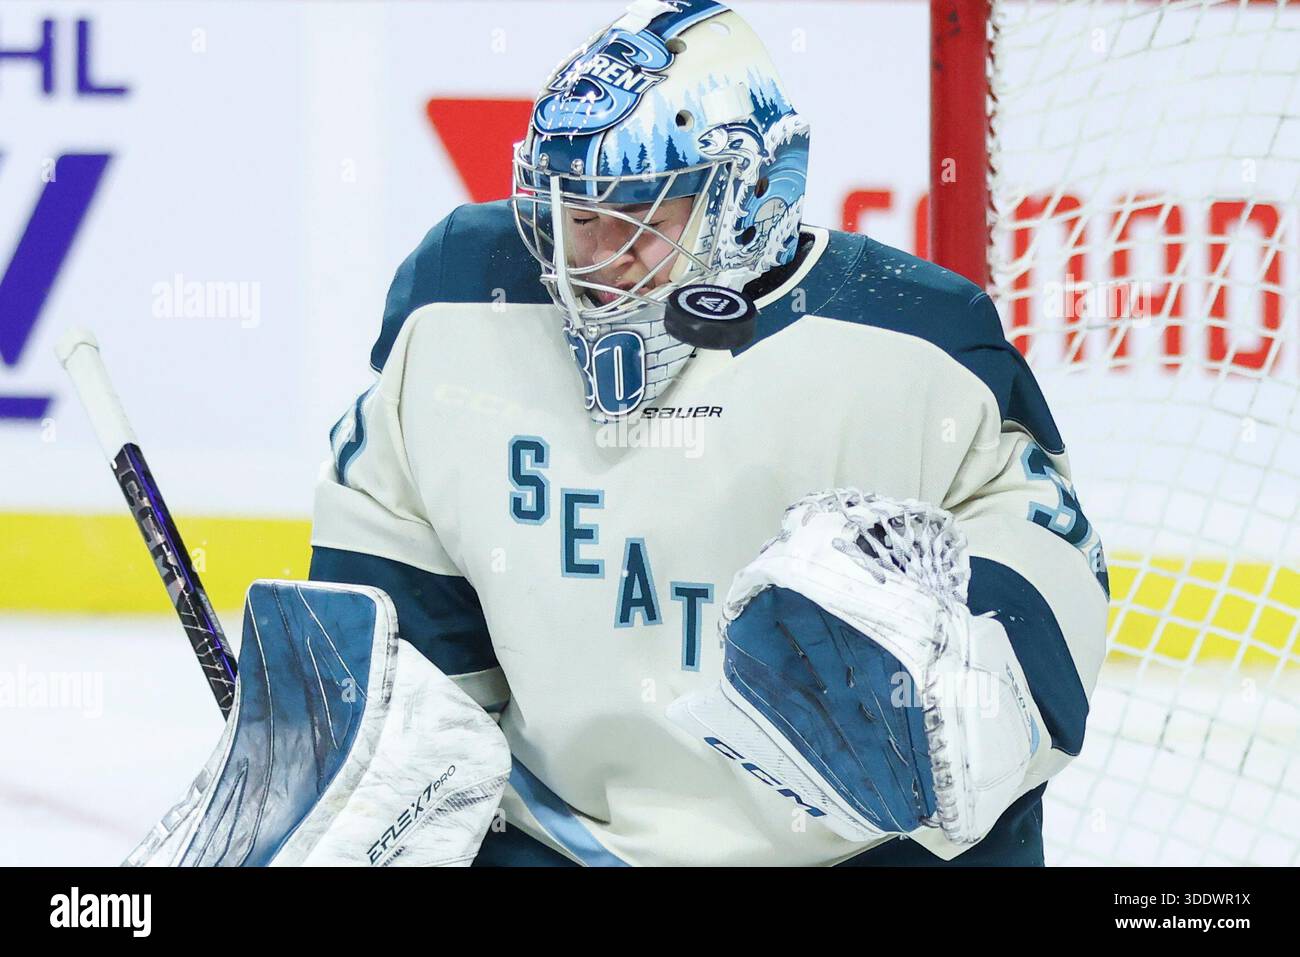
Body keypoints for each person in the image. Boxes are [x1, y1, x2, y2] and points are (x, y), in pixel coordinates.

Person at [309, 0, 1109, 866]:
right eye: (578, 214)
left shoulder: (916, 346)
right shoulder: (461, 306)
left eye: (644, 218)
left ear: (753, 195)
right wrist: (358, 757)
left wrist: (965, 706)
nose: (597, 259)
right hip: (563, 844)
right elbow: (394, 619)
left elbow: (1044, 572)